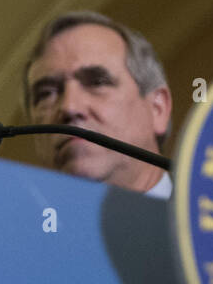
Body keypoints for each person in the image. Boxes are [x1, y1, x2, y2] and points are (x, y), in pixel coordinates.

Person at [22, 12, 172, 197]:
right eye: (46, 94)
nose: (70, 107)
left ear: (158, 109)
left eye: (97, 82)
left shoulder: (212, 218)